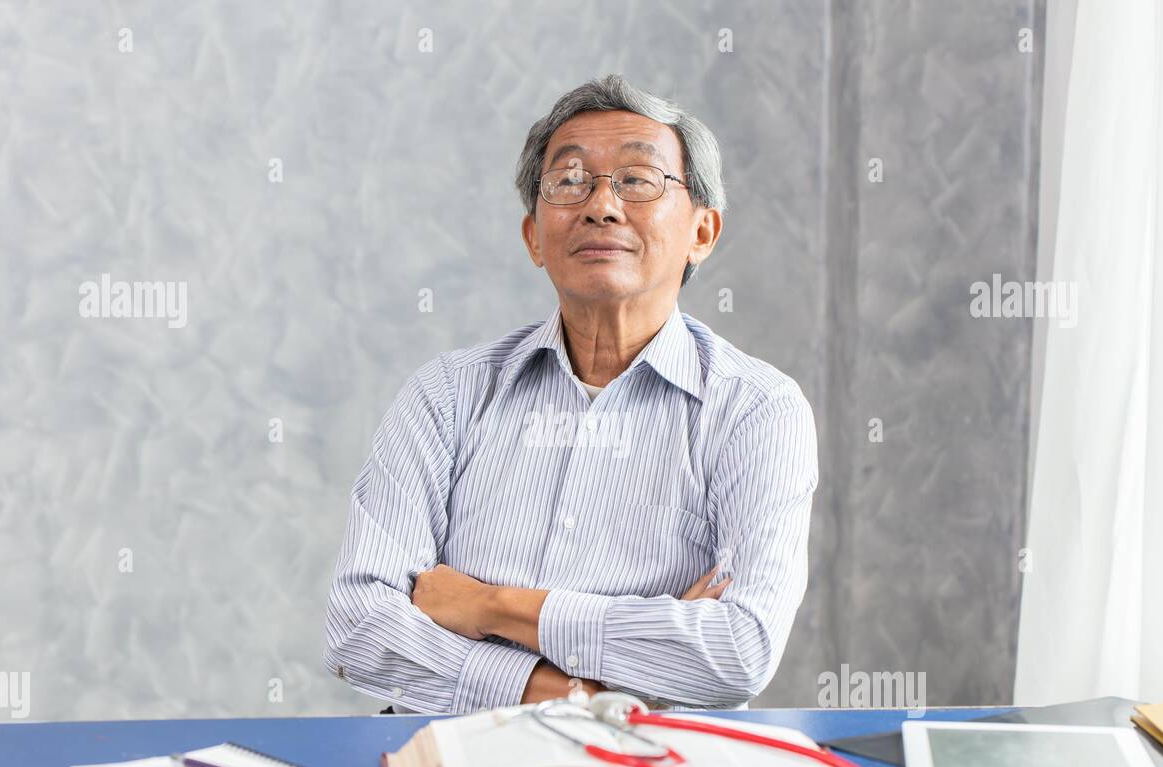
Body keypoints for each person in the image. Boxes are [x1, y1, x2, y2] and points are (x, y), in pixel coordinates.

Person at [325, 74, 817, 715]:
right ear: (533, 234)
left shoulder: (756, 410)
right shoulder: (446, 395)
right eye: (569, 181)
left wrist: (489, 606)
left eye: (638, 180)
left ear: (703, 231)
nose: (601, 206)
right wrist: (585, 691)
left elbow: (736, 653)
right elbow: (359, 628)